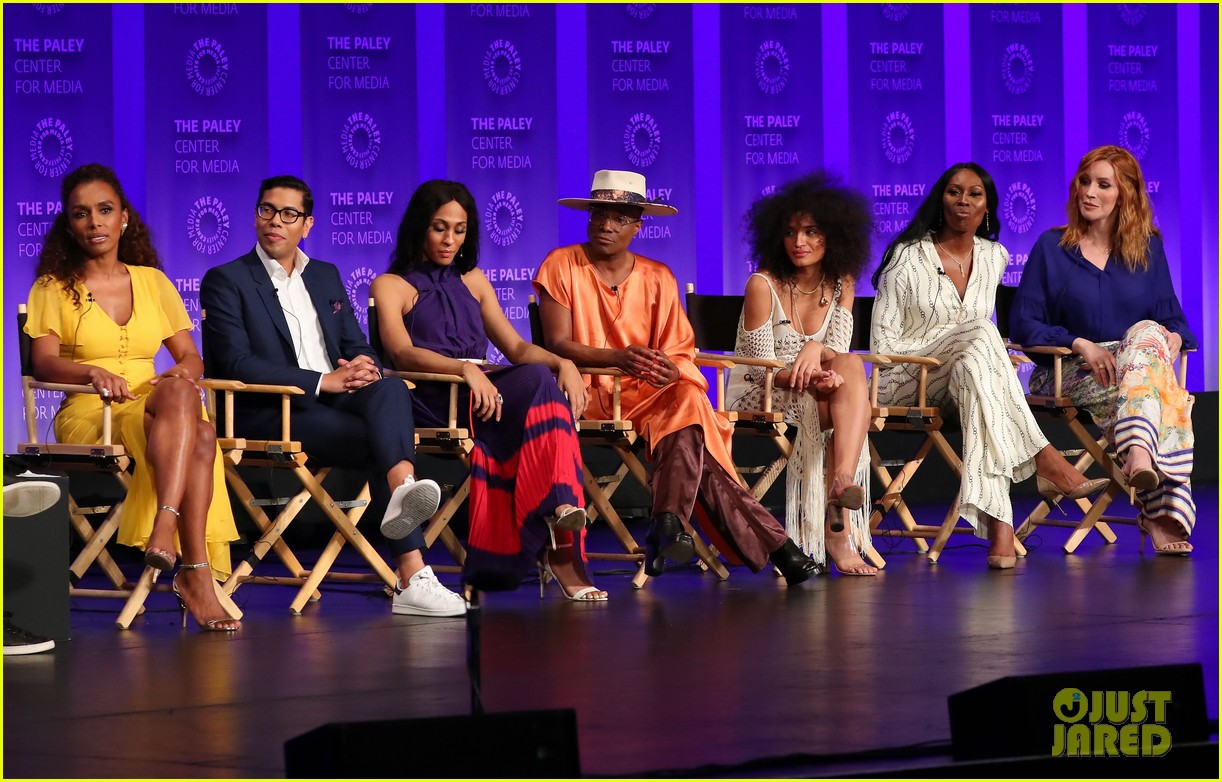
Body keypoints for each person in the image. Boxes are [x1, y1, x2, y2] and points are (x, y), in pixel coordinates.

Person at [533, 169, 819, 585]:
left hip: (653, 394)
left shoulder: (659, 276)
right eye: (599, 215)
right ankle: (774, 546)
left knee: (685, 398)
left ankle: (668, 522)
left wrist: (670, 367)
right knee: (694, 433)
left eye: (619, 217)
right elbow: (557, 342)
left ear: (637, 226)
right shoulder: (562, 264)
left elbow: (679, 351)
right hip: (593, 392)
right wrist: (616, 358)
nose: (606, 226)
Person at [200, 175, 465, 616]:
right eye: (267, 210)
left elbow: (356, 345)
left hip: (334, 400)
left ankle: (402, 489)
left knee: (390, 387)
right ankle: (413, 573)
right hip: (272, 409)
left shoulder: (324, 275)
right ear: (255, 216)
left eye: (289, 214)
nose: (275, 222)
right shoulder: (226, 279)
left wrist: (364, 367)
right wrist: (324, 382)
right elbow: (236, 363)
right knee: (381, 441)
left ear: (307, 224)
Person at [25, 163, 241, 630]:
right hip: (90, 410)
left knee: (183, 392)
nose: (95, 222)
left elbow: (190, 357)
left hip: (153, 402)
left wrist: (179, 374)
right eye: (81, 214)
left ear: (124, 217)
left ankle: (166, 527)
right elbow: (42, 363)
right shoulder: (52, 287)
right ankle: (195, 573)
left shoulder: (153, 282)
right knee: (201, 434)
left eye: (105, 210)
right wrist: (91, 372)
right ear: (69, 224)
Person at [370, 180, 606, 600]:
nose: (449, 240)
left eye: (459, 230)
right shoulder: (390, 284)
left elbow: (514, 347)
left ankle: (559, 511)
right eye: (439, 227)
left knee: (539, 376)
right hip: (435, 397)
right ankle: (558, 526)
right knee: (534, 381)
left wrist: (563, 362)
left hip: (484, 394)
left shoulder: (474, 280)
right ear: (419, 227)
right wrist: (464, 370)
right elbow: (401, 354)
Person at [869, 162, 1108, 569]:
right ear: (940, 199)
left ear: (987, 207)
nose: (963, 201)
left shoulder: (995, 257)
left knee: (978, 375)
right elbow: (882, 346)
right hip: (906, 379)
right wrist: (965, 345)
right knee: (982, 332)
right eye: (954, 192)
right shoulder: (906, 256)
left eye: (974, 194)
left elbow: (977, 352)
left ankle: (1001, 524)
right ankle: (1044, 458)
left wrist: (983, 354)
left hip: (964, 380)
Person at [1010, 145, 1197, 555]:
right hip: (1069, 369)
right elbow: (1023, 325)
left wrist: (1176, 338)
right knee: (1169, 396)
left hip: (1133, 369)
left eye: (1103, 185)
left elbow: (1175, 320)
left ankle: (1139, 454)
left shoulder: (1148, 248)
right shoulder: (1051, 248)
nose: (1089, 192)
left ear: (1125, 195)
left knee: (1148, 336)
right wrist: (1079, 343)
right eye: (1085, 182)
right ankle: (1160, 512)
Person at [727, 172, 876, 576]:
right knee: (846, 395)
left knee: (848, 368)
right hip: (763, 390)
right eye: (791, 232)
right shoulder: (763, 284)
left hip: (823, 392)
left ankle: (840, 480)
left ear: (834, 235)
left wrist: (817, 354)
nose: (799, 242)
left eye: (812, 231)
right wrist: (811, 376)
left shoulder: (842, 282)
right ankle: (839, 529)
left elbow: (839, 352)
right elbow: (758, 371)